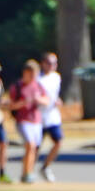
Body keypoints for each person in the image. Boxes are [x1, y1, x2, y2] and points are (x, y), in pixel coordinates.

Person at [8, 59, 49, 184]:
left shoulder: (38, 86)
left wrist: (39, 100)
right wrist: (22, 103)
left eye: (35, 74)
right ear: (25, 73)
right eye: (31, 73)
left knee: (34, 148)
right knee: (29, 145)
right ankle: (26, 173)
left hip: (36, 120)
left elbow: (46, 100)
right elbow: (11, 106)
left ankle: (29, 172)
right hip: (23, 120)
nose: (33, 76)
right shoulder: (17, 87)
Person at [38, 51, 63, 182]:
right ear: (43, 64)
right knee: (36, 146)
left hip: (53, 116)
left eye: (54, 63)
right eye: (49, 63)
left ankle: (46, 166)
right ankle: (27, 171)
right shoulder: (37, 79)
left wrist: (57, 100)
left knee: (58, 141)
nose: (52, 66)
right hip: (39, 117)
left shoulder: (56, 77)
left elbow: (54, 94)